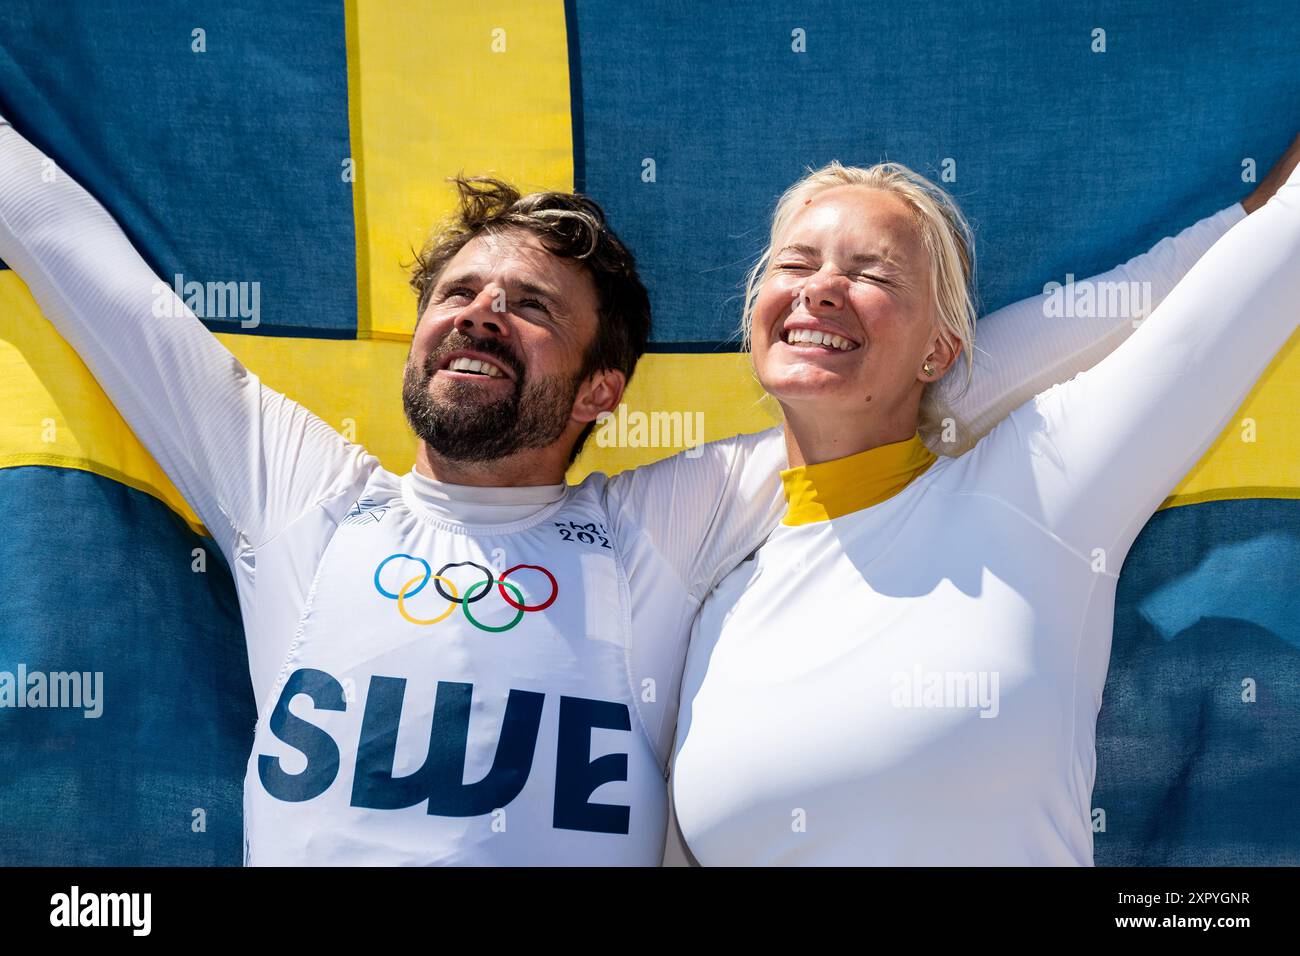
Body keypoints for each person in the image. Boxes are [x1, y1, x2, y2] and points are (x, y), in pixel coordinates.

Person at [0, 110, 1254, 865]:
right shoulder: (296, 494)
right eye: (457, 296)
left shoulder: (671, 521)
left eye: (530, 307)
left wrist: (1249, 222)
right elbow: (69, 251)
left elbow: (939, 375)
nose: (479, 314)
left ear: (602, 390)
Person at [668, 137, 1300, 866]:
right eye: (796, 264)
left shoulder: (1041, 486)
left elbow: (1280, 237)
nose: (821, 288)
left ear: (939, 352)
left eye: (871, 272)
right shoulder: (708, 599)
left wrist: (1250, 213)